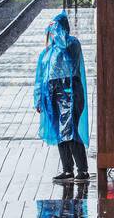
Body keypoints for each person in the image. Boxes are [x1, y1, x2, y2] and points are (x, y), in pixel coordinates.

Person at [34, 11, 89, 182]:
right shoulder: (47, 52)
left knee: (70, 129)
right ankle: (67, 169)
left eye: (56, 28)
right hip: (52, 94)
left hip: (70, 92)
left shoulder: (71, 44)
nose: (52, 32)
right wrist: (38, 98)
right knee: (60, 131)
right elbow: (40, 76)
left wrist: (57, 32)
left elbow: (65, 46)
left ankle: (82, 169)